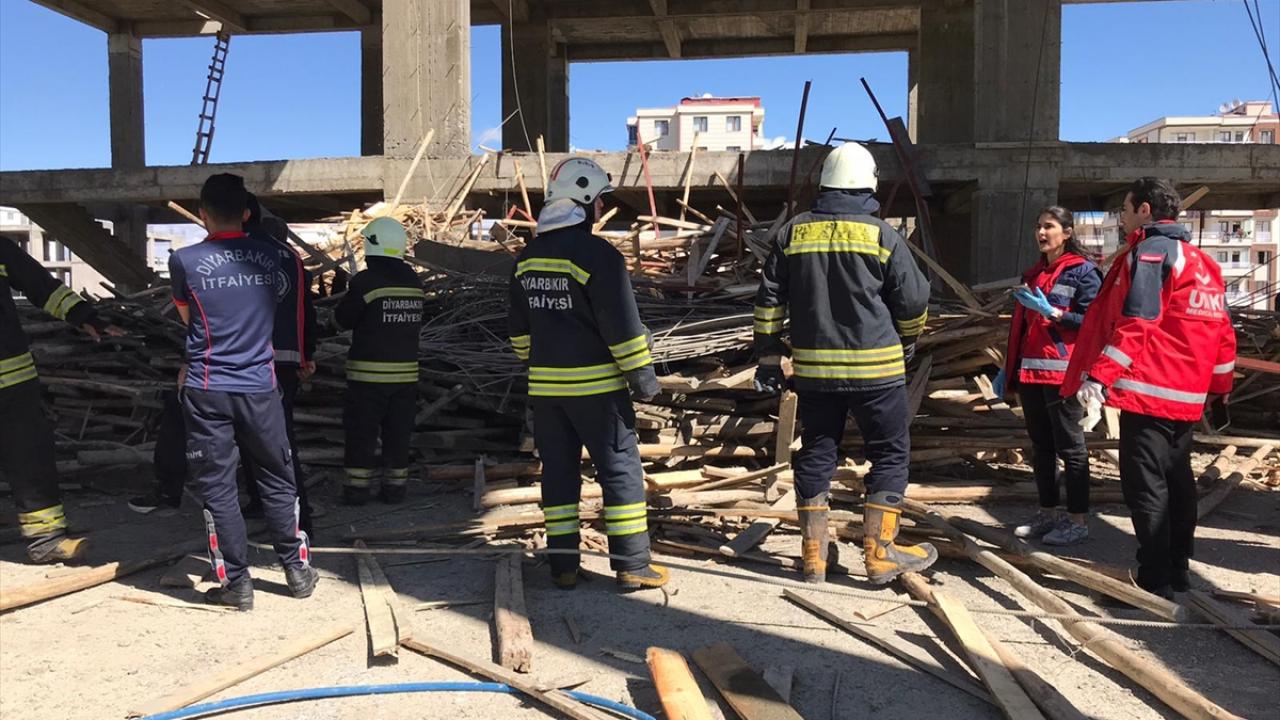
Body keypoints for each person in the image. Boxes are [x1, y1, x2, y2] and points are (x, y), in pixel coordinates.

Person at [753, 142, 936, 585]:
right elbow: (913, 300)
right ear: (868, 185)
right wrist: (908, 341)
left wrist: (769, 357)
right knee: (889, 454)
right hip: (877, 372)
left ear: (825, 183)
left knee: (817, 452)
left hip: (816, 373)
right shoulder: (881, 235)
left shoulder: (793, 233)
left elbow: (769, 302)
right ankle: (880, 555)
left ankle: (814, 557)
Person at [1063, 177, 1236, 599]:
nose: (1121, 218)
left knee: (1146, 487)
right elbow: (1224, 335)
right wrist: (1218, 392)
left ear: (1144, 210)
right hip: (1188, 397)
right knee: (1178, 483)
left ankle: (1153, 579)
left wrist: (1100, 375)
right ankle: (1177, 570)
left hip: (1151, 390)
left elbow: (1138, 321)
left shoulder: (1153, 253)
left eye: (1124, 208)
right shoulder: (1204, 263)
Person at [507, 157, 668, 591]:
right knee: (620, 471)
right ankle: (633, 563)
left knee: (558, 475)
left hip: (546, 393)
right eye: (599, 201)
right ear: (586, 201)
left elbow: (519, 334)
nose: (601, 209)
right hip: (598, 393)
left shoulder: (527, 258)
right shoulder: (599, 256)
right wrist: (645, 380)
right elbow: (623, 330)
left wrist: (539, 363)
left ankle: (562, 565)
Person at [170, 173, 317, 610]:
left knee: (218, 489)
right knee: (277, 477)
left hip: (207, 387)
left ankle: (237, 583)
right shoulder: (278, 258)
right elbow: (288, 310)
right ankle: (296, 570)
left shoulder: (184, 260)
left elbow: (188, 320)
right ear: (248, 212)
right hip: (260, 386)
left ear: (201, 214)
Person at [1, 237, 121, 562]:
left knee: (30, 458)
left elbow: (43, 287)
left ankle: (46, 539)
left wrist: (83, 315)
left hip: (13, 381)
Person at [995, 207, 1102, 546]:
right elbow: (1023, 328)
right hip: (1031, 373)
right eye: (1038, 226)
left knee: (1071, 448)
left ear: (1067, 232)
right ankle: (1047, 513)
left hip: (1063, 375)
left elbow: (1093, 322)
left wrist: (1055, 313)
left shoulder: (1084, 273)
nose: (1041, 232)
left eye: (1049, 226)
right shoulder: (1035, 275)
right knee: (1041, 448)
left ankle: (1077, 520)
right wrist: (1009, 367)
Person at [239, 194, 318, 535]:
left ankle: (296, 519)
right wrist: (305, 353)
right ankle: (281, 510)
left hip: (241, 363)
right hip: (284, 361)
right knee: (276, 439)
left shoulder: (232, 251)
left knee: (251, 440)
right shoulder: (291, 257)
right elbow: (305, 310)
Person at [334, 217, 425, 505]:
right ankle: (395, 490)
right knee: (398, 435)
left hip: (367, 377)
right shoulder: (413, 282)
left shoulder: (366, 281)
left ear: (374, 246)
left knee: (362, 434)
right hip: (406, 377)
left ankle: (356, 491)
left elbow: (342, 320)